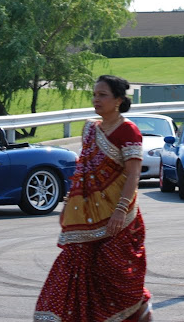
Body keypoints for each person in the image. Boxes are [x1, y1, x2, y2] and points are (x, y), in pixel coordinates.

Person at [34, 75, 152, 322]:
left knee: (115, 279)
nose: (96, 99)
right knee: (72, 274)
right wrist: (68, 205)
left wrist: (120, 211)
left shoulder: (128, 131)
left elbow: (133, 175)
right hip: (84, 222)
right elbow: (82, 172)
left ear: (118, 100)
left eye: (102, 95)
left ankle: (141, 314)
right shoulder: (91, 129)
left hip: (118, 221)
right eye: (95, 94)